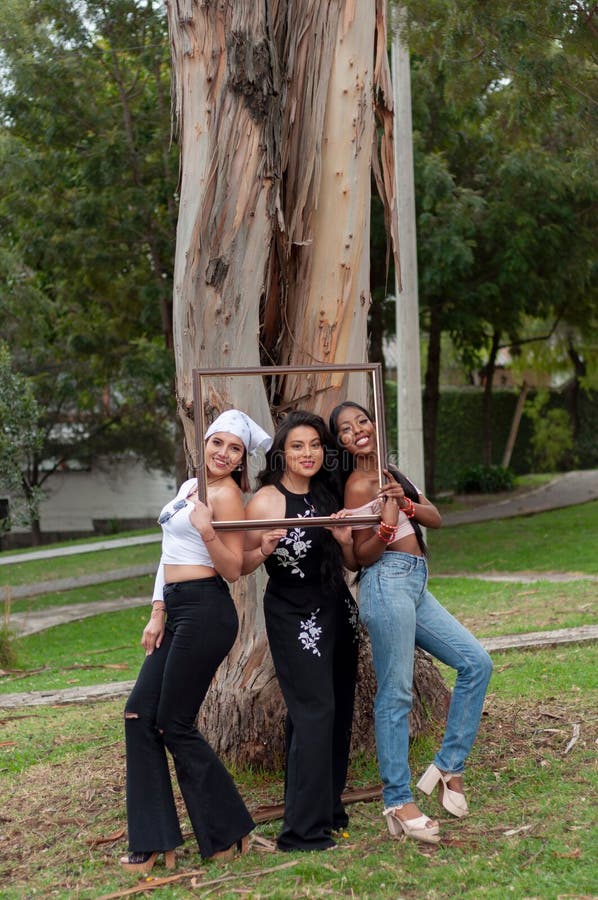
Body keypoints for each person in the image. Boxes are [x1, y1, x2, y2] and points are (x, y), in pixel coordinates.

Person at [329, 401, 492, 845]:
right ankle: (398, 800)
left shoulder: (393, 472)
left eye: (362, 421)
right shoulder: (359, 485)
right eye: (345, 429)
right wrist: (384, 522)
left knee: (477, 663)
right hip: (386, 583)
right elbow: (361, 558)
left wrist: (404, 503)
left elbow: (435, 518)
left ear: (376, 424)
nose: (356, 431)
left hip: (416, 584)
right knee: (396, 691)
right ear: (340, 443)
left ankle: (448, 766)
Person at [121, 409, 272, 873]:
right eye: (217, 443)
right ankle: (153, 839)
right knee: (138, 714)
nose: (223, 454)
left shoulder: (228, 497)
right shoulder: (190, 487)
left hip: (208, 609)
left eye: (234, 449)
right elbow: (168, 555)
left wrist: (208, 529)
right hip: (176, 606)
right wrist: (157, 611)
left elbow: (232, 569)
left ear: (242, 457)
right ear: (203, 442)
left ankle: (229, 830)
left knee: (174, 722)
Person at [243, 410, 359, 852]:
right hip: (294, 613)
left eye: (314, 445)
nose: (307, 453)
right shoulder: (266, 500)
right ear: (282, 453)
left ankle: (325, 810)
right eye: (297, 446)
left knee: (336, 711)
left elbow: (348, 561)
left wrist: (346, 538)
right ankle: (300, 833)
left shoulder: (328, 494)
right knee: (314, 713)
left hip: (337, 609)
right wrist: (265, 547)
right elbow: (241, 566)